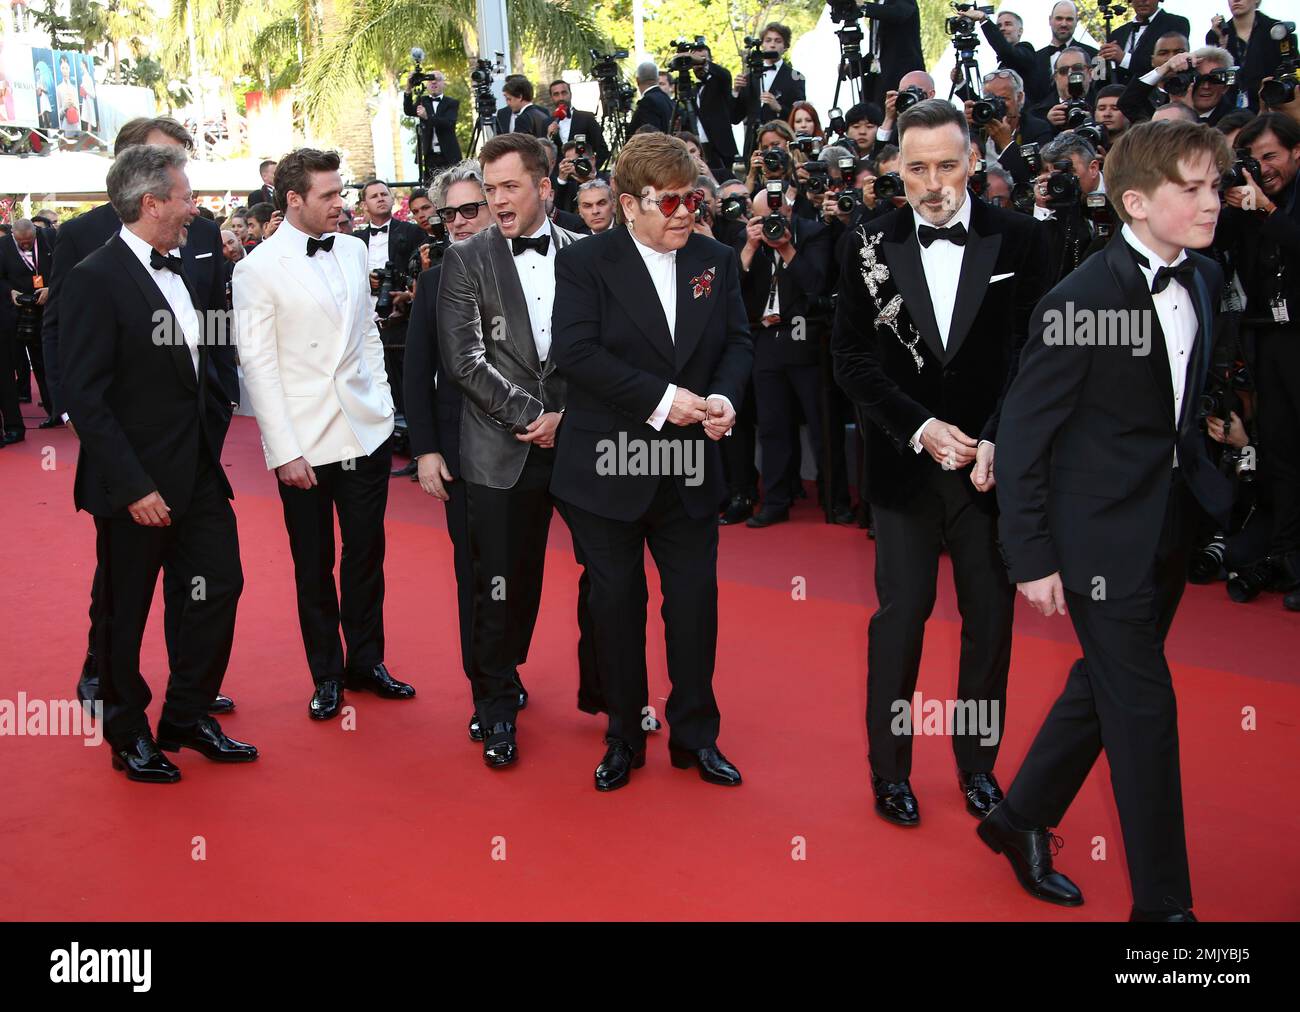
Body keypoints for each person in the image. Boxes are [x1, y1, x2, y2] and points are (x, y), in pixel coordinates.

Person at [985, 120, 1235, 921]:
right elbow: (1025, 433)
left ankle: (1017, 817)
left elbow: (1175, 408)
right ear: (1135, 201)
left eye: (1216, 186)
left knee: (1101, 687)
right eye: (1190, 189)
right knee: (1144, 712)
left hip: (1168, 524)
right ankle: (1165, 913)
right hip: (1095, 544)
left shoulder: (1202, 278)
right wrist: (1030, 556)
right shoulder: (1082, 298)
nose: (1212, 202)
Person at [832, 99, 1052, 827]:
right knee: (902, 620)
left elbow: (1033, 355)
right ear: (895, 167)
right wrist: (921, 427)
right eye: (917, 167)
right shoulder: (864, 243)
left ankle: (977, 766)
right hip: (904, 470)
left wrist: (995, 436)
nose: (933, 183)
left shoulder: (1022, 241)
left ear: (975, 162)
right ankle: (888, 771)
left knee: (990, 623)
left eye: (947, 165)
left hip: (991, 474)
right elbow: (853, 361)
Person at [549, 131, 753, 792]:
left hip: (691, 469)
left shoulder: (716, 259)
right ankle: (622, 735)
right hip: (608, 465)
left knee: (694, 606)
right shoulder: (586, 263)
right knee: (617, 605)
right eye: (669, 203)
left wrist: (721, 398)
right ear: (628, 203)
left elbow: (739, 344)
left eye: (691, 199)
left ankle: (697, 736)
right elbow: (577, 356)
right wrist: (667, 400)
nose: (686, 213)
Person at [60, 143, 254, 782]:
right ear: (152, 203)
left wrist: (214, 428)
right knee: (126, 611)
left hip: (196, 472)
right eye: (186, 197)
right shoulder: (95, 277)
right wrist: (133, 483)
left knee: (218, 585)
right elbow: (84, 395)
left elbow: (202, 366)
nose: (194, 208)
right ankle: (127, 732)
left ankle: (187, 714)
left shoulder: (186, 270)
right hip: (134, 485)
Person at [233, 148, 415, 721]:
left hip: (363, 432)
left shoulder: (355, 250)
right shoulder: (256, 268)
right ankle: (326, 673)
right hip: (305, 444)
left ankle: (367, 661)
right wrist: (283, 451)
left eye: (343, 193)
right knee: (312, 563)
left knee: (366, 554)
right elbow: (257, 366)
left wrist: (383, 410)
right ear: (294, 200)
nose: (342, 205)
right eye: (329, 196)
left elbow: (365, 337)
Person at [436, 133, 588, 767]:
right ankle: (494, 706)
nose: (496, 201)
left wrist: (569, 420)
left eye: (509, 188)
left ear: (544, 188)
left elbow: (605, 353)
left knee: (609, 575)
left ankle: (616, 692)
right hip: (502, 448)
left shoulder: (590, 252)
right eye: (489, 189)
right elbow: (464, 361)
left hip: (581, 446)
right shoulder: (466, 258)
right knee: (500, 584)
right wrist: (538, 417)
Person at [1208, 1, 1286, 113]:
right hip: (1229, 109)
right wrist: (1222, 44)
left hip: (1271, 105)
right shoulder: (1216, 34)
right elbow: (1212, 76)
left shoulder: (1276, 30)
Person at [1099, 0, 1191, 83]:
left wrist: (1124, 58)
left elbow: (1170, 63)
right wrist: (1098, 63)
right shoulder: (1117, 33)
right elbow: (1102, 73)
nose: (1143, 1)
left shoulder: (1176, 23)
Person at [403, 68, 462, 176]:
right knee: (429, 187)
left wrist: (427, 117)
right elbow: (408, 111)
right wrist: (408, 88)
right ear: (426, 84)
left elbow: (448, 123)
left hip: (448, 155)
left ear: (443, 84)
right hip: (429, 155)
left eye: (438, 79)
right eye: (430, 80)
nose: (434, 82)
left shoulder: (451, 103)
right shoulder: (422, 100)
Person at [629, 61, 675, 135]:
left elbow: (648, 135)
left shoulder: (647, 102)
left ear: (637, 80)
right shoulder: (667, 99)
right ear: (657, 79)